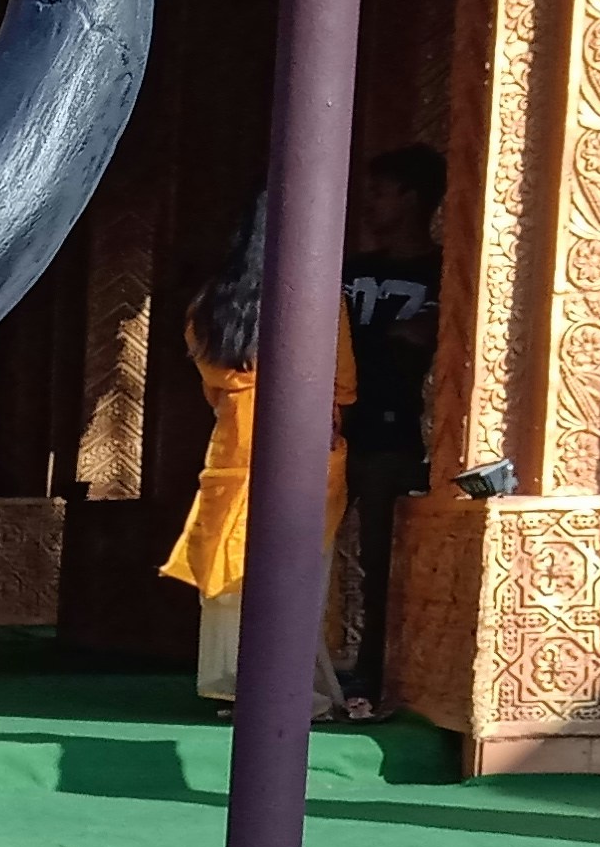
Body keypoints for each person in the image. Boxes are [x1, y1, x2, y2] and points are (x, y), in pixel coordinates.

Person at [160, 194, 350, 720]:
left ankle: (239, 686)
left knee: (232, 562)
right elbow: (343, 386)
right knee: (297, 570)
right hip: (306, 443)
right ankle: (295, 693)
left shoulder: (210, 304)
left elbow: (213, 384)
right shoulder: (318, 299)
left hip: (235, 443)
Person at [337, 143, 445, 717]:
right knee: (302, 550)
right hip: (330, 428)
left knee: (383, 559)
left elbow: (430, 340)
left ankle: (375, 674)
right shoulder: (351, 269)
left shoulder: (442, 273)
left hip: (395, 430)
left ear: (412, 198)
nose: (371, 203)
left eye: (381, 191)